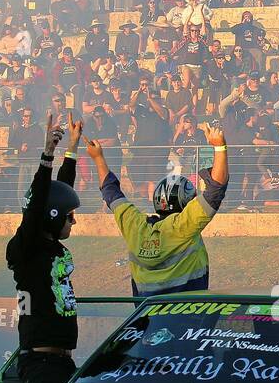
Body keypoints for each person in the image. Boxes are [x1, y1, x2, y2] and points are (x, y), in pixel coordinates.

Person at [88, 123, 229, 295]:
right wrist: (220, 147)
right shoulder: (185, 226)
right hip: (186, 317)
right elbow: (216, 189)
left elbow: (111, 192)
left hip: (146, 319)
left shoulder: (135, 225)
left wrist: (98, 158)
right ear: (186, 204)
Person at [5, 115, 84, 383]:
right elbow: (41, 201)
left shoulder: (50, 244)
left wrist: (72, 148)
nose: (72, 221)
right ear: (51, 217)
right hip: (41, 363)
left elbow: (59, 191)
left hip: (62, 361)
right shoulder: (27, 249)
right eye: (69, 216)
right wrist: (47, 154)